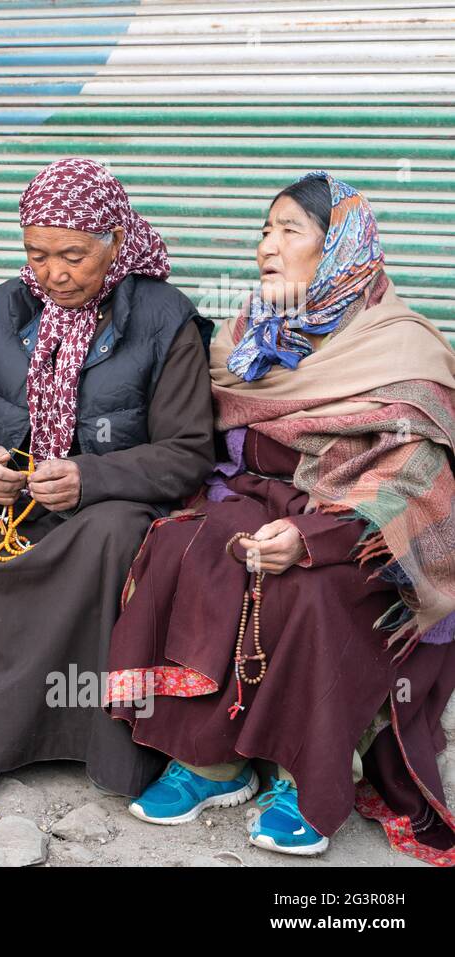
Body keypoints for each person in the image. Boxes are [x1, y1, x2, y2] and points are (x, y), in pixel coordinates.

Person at [107, 172, 455, 866]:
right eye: (265, 230)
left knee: (306, 594)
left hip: (356, 532)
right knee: (188, 548)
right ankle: (210, 762)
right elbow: (218, 442)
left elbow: (417, 480)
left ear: (339, 250)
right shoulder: (250, 334)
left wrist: (313, 538)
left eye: (289, 230)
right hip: (253, 499)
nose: (268, 245)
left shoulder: (401, 346)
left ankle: (307, 781)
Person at [0, 158, 215, 798]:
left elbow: (189, 452)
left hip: (105, 503)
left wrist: (90, 477)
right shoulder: (7, 306)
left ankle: (80, 736)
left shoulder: (165, 318)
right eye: (36, 253)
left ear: (114, 244)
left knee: (113, 535)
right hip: (18, 503)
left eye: (73, 255)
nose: (52, 272)